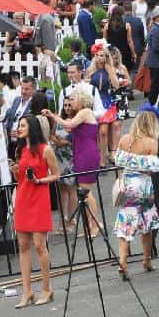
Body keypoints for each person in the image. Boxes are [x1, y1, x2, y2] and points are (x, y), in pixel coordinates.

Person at [12, 116, 59, 308]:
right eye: (19, 125)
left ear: (32, 127)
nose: (19, 128)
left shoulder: (46, 149)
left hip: (39, 198)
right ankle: (27, 291)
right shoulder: (21, 149)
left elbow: (56, 175)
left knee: (40, 245)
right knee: (23, 245)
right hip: (23, 197)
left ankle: (46, 289)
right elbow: (20, 177)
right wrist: (15, 170)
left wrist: (40, 181)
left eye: (23, 125)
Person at [114, 111, 159, 279]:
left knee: (125, 224)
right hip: (143, 185)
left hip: (127, 183)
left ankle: (122, 261)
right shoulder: (151, 142)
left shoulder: (124, 140)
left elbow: (118, 161)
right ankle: (146, 259)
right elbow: (149, 169)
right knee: (147, 223)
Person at [47, 90, 101, 236]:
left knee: (87, 192)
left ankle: (95, 226)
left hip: (86, 154)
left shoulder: (85, 111)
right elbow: (69, 132)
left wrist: (53, 116)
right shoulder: (81, 114)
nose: (71, 102)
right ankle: (90, 225)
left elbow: (68, 124)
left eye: (73, 99)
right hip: (81, 154)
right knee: (84, 193)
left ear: (82, 99)